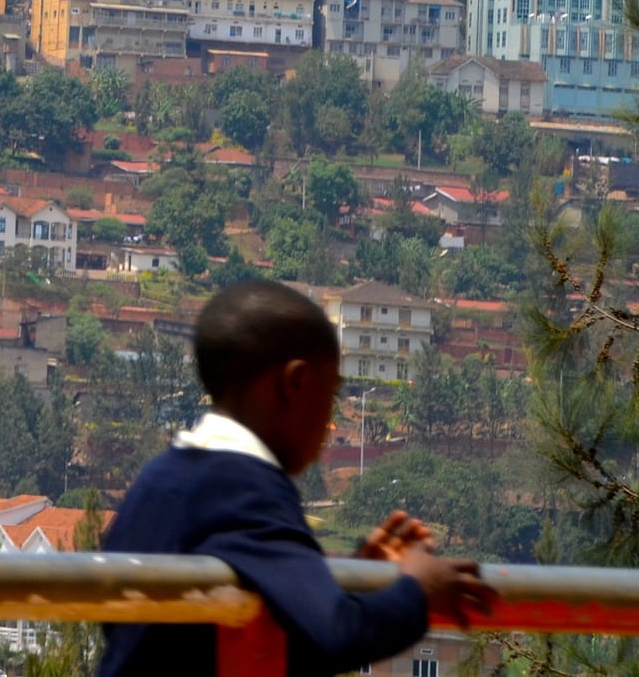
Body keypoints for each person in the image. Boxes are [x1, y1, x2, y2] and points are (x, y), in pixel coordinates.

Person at [100, 280, 495, 676]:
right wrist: (420, 589)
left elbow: (289, 642)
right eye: (330, 393)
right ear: (296, 383)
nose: (329, 420)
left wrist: (342, 586)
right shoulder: (247, 491)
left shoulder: (160, 479)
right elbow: (337, 637)